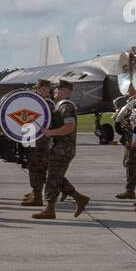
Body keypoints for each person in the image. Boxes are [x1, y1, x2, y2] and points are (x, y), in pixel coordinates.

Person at [31, 79, 89, 220]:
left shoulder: (66, 107)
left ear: (65, 91)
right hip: (60, 148)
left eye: (58, 89)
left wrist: (50, 133)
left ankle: (50, 210)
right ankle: (79, 198)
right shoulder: (60, 106)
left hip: (63, 149)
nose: (55, 91)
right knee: (55, 176)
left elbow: (69, 127)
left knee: (52, 178)